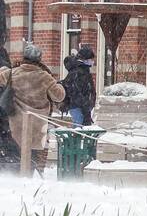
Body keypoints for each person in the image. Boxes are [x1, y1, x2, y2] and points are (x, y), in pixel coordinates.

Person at [0, 42, 67, 175]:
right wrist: (59, 85)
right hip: (38, 125)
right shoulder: (45, 77)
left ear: (24, 57)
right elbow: (59, 96)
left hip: (15, 124)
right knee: (34, 159)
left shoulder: (12, 73)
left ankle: (17, 178)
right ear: (39, 59)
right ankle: (32, 175)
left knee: (16, 157)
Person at [62, 45, 96, 127]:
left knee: (81, 130)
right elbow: (77, 93)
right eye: (90, 59)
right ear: (84, 59)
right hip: (78, 107)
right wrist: (85, 109)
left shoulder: (83, 70)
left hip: (82, 107)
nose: (92, 61)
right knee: (79, 131)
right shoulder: (79, 72)